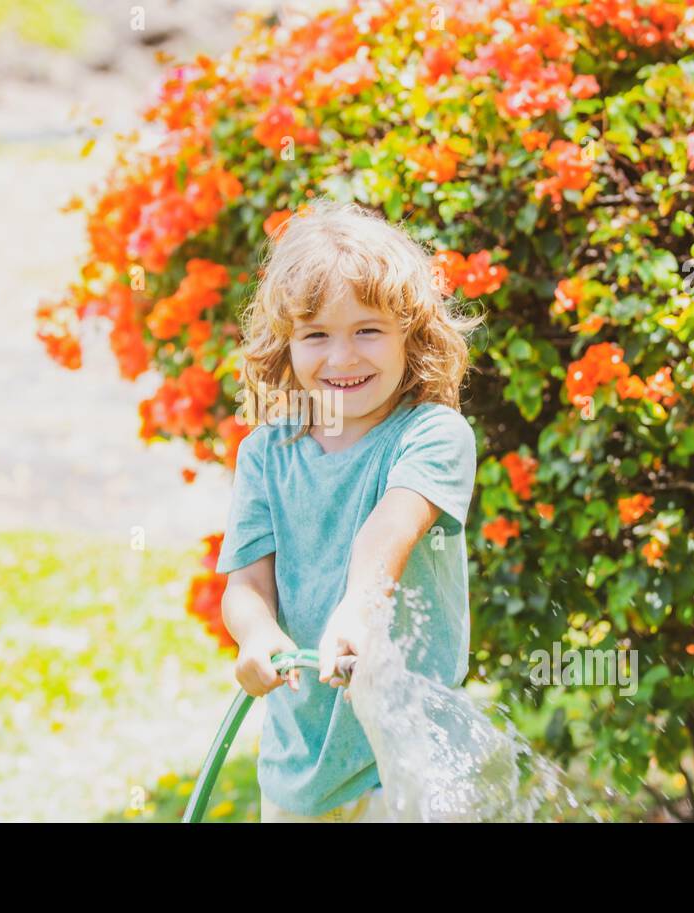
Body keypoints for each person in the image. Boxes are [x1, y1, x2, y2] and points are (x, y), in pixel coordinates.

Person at [215, 197, 483, 822]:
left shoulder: (432, 435)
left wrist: (358, 612)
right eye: (316, 336)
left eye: (368, 330)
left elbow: (389, 528)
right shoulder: (265, 453)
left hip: (407, 757)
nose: (342, 358)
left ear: (410, 336)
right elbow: (246, 583)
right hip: (298, 765)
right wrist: (256, 633)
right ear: (286, 346)